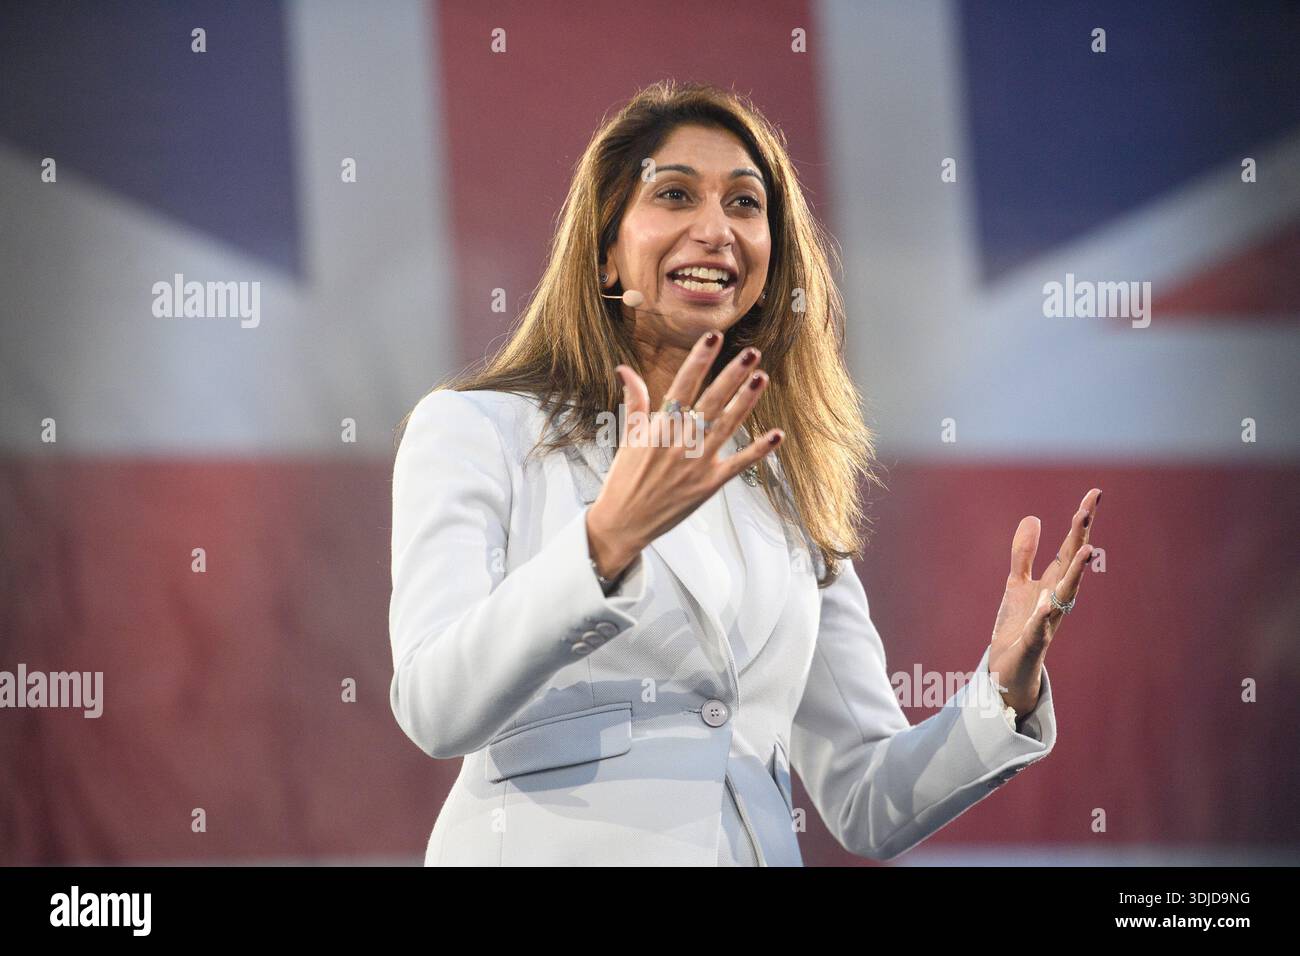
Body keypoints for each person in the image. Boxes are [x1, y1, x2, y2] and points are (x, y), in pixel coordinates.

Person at [387, 80, 1101, 865]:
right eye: (674, 194)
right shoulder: (478, 430)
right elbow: (434, 706)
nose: (715, 230)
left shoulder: (782, 484)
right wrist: (601, 545)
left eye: (744, 204)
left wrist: (1001, 693)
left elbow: (865, 796)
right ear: (604, 250)